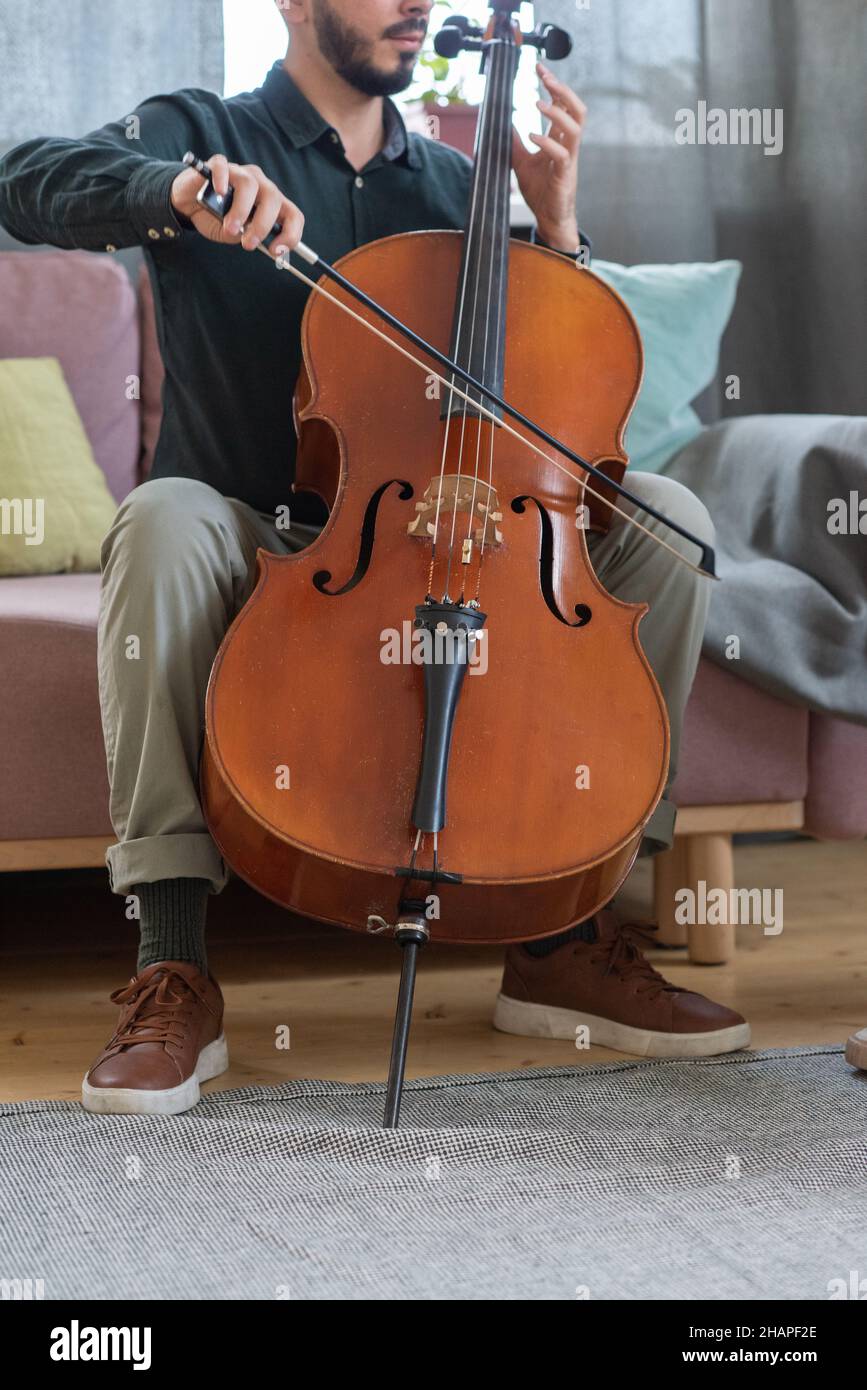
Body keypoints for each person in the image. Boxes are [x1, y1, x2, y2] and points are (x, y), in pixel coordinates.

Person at [0, 0, 749, 1117]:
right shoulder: (201, 128)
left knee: (664, 516)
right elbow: (26, 181)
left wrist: (554, 226)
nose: (413, 4)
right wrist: (175, 192)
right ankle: (174, 964)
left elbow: (558, 405)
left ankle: (574, 932)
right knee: (159, 516)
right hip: (255, 537)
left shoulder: (455, 192)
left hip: (446, 542)